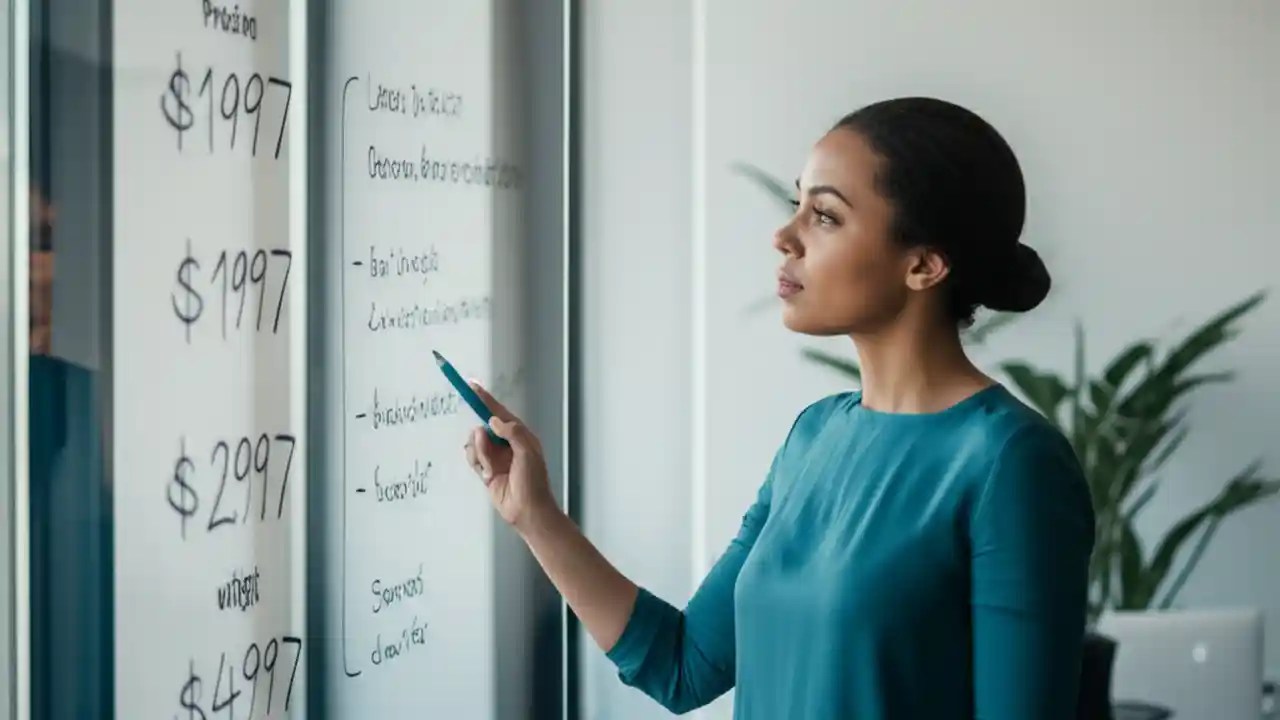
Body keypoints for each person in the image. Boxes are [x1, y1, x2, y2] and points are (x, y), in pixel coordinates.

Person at [462, 96, 1095, 719]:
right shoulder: (813, 436)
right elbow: (681, 667)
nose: (784, 236)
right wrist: (535, 516)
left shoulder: (1011, 464)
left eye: (825, 216)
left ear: (924, 265)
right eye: (798, 205)